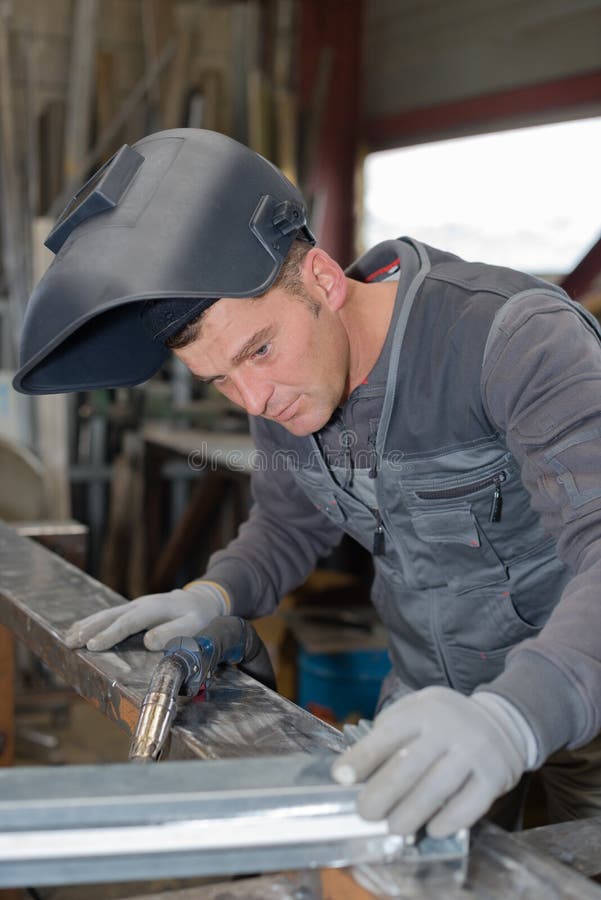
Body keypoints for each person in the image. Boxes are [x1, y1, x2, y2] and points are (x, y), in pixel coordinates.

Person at [14, 128, 601, 838]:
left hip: (579, 695)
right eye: (220, 380)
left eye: (258, 351)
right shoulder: (286, 390)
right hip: (424, 700)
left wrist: (510, 720)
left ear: (322, 279)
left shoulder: (513, 341)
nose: (254, 399)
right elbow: (289, 522)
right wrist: (213, 592)